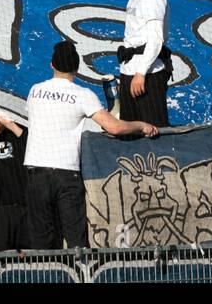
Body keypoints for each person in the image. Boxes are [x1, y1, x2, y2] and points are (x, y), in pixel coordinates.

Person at [24, 41, 156, 250]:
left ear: (52, 65)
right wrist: (141, 125)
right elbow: (114, 127)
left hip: (36, 173)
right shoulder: (82, 95)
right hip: (66, 173)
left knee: (41, 243)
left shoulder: (35, 91)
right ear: (77, 68)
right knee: (77, 242)